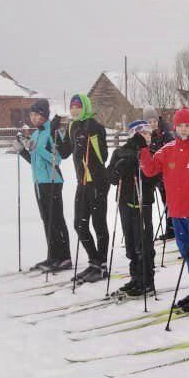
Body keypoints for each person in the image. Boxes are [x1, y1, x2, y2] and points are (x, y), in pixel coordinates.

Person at [137, 108, 189, 313]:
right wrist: (143, 150)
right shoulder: (167, 150)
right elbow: (149, 170)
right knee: (186, 253)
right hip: (176, 211)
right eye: (180, 126)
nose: (183, 130)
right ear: (175, 127)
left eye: (187, 125)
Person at [56, 93, 110, 284]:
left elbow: (103, 157)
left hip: (97, 181)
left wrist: (91, 138)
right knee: (79, 224)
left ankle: (102, 266)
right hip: (83, 183)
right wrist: (56, 132)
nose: (75, 110)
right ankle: (94, 261)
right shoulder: (72, 126)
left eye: (78, 106)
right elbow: (63, 153)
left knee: (98, 224)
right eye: (72, 107)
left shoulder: (95, 127)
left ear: (85, 107)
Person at [15, 98, 72, 271]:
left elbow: (58, 159)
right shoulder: (35, 134)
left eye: (38, 115)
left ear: (45, 116)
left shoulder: (51, 133)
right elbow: (35, 161)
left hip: (52, 181)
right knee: (46, 219)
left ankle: (64, 257)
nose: (34, 118)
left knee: (56, 219)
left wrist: (37, 148)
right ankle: (53, 256)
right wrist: (22, 151)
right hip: (39, 182)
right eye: (32, 114)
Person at [107, 120, 156, 298]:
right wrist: (119, 169)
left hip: (143, 202)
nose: (148, 137)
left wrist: (138, 164)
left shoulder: (150, 152)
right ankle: (135, 277)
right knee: (130, 243)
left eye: (150, 133)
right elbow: (110, 177)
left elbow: (154, 178)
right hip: (125, 201)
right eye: (144, 133)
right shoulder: (120, 152)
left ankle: (147, 281)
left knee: (143, 243)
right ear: (133, 134)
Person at [144, 105, 176, 241]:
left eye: (154, 121)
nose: (152, 124)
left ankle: (173, 229)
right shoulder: (147, 135)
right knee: (165, 202)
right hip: (156, 176)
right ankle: (170, 228)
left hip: (168, 174)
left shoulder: (165, 133)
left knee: (170, 202)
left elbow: (171, 152)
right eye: (149, 122)